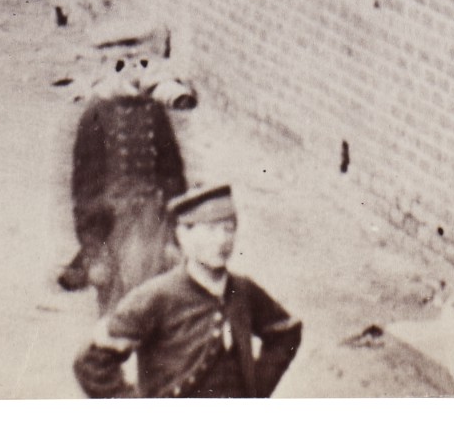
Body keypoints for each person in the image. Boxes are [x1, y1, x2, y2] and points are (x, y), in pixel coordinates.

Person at [73, 184, 301, 397]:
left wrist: (257, 388)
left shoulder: (243, 290)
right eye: (211, 230)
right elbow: (90, 363)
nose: (222, 240)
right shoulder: (157, 296)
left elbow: (285, 332)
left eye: (228, 229)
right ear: (183, 236)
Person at [61, 21, 191, 309]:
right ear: (108, 67)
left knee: (162, 309)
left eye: (140, 64)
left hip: (153, 228)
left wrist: (175, 236)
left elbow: (173, 178)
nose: (132, 73)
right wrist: (94, 251)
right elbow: (85, 193)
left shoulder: (154, 112)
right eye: (123, 64)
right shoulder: (95, 116)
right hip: (114, 229)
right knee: (119, 316)